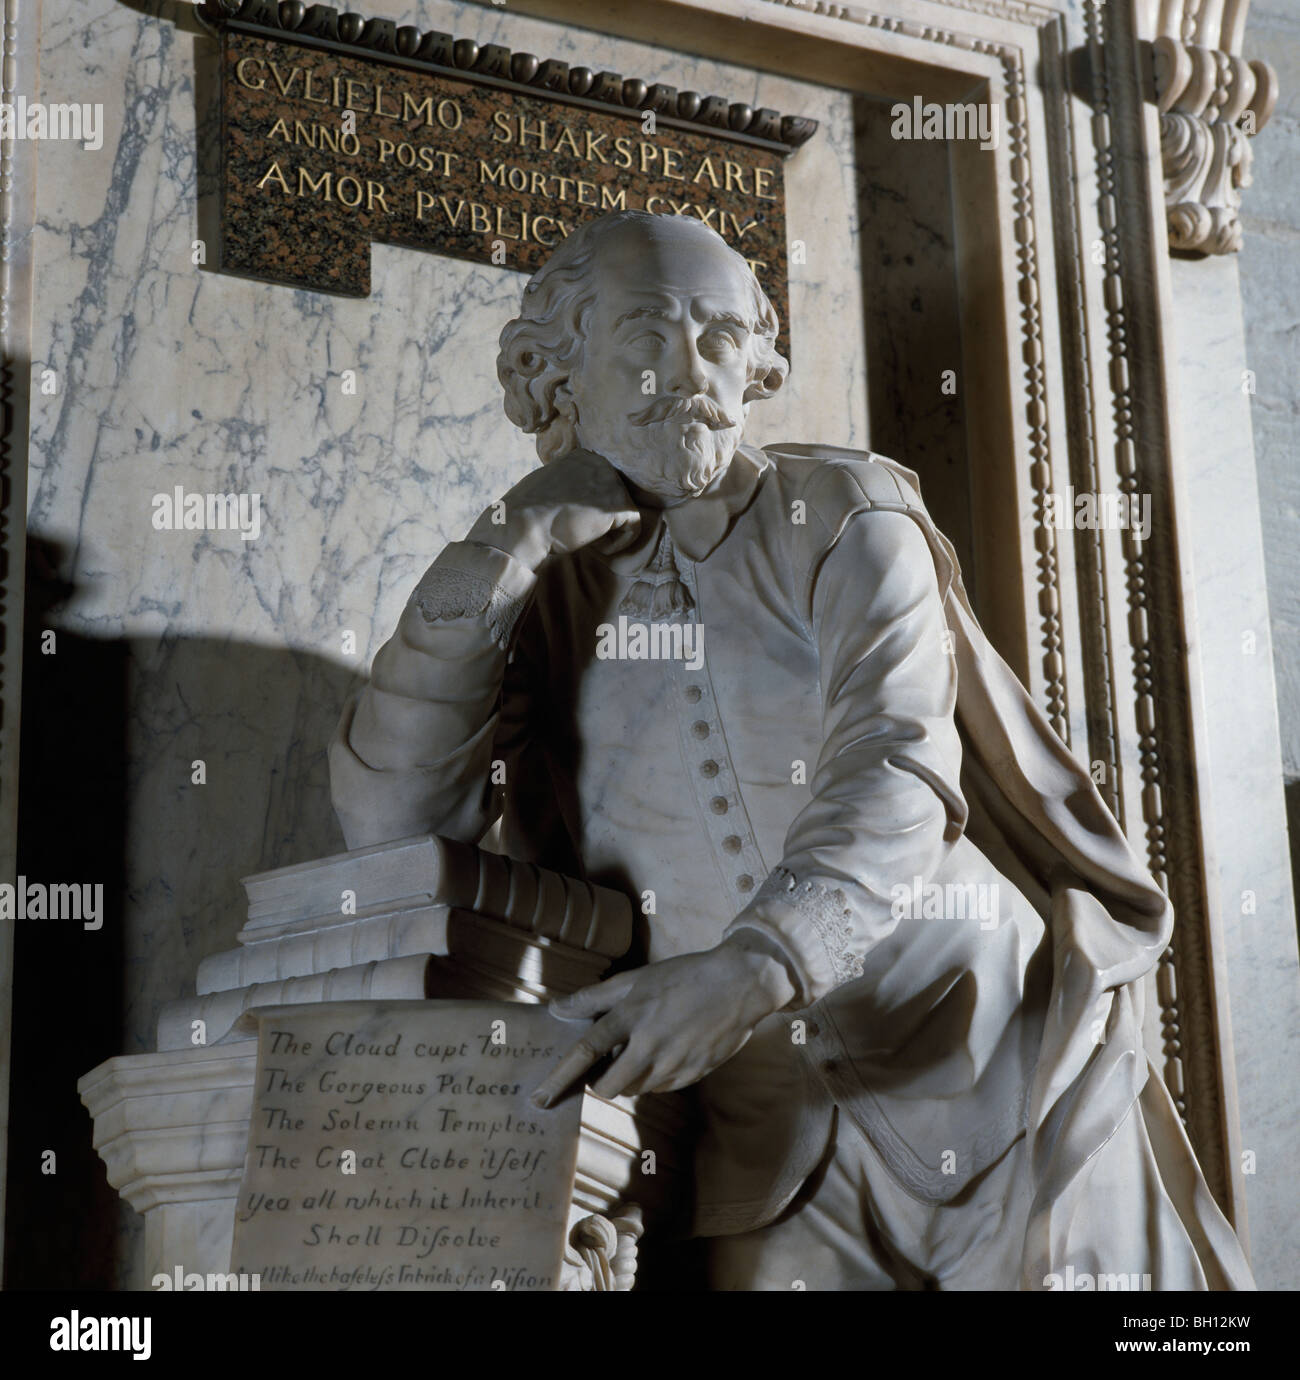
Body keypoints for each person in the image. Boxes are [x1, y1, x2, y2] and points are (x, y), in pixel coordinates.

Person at [329, 210, 1253, 1290]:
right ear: (555, 365)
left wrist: (759, 963)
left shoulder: (845, 512)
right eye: (645, 329)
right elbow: (391, 829)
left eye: (721, 334)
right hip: (755, 1135)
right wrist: (506, 540)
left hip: (995, 1056)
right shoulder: (531, 603)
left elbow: (898, 764)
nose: (690, 368)